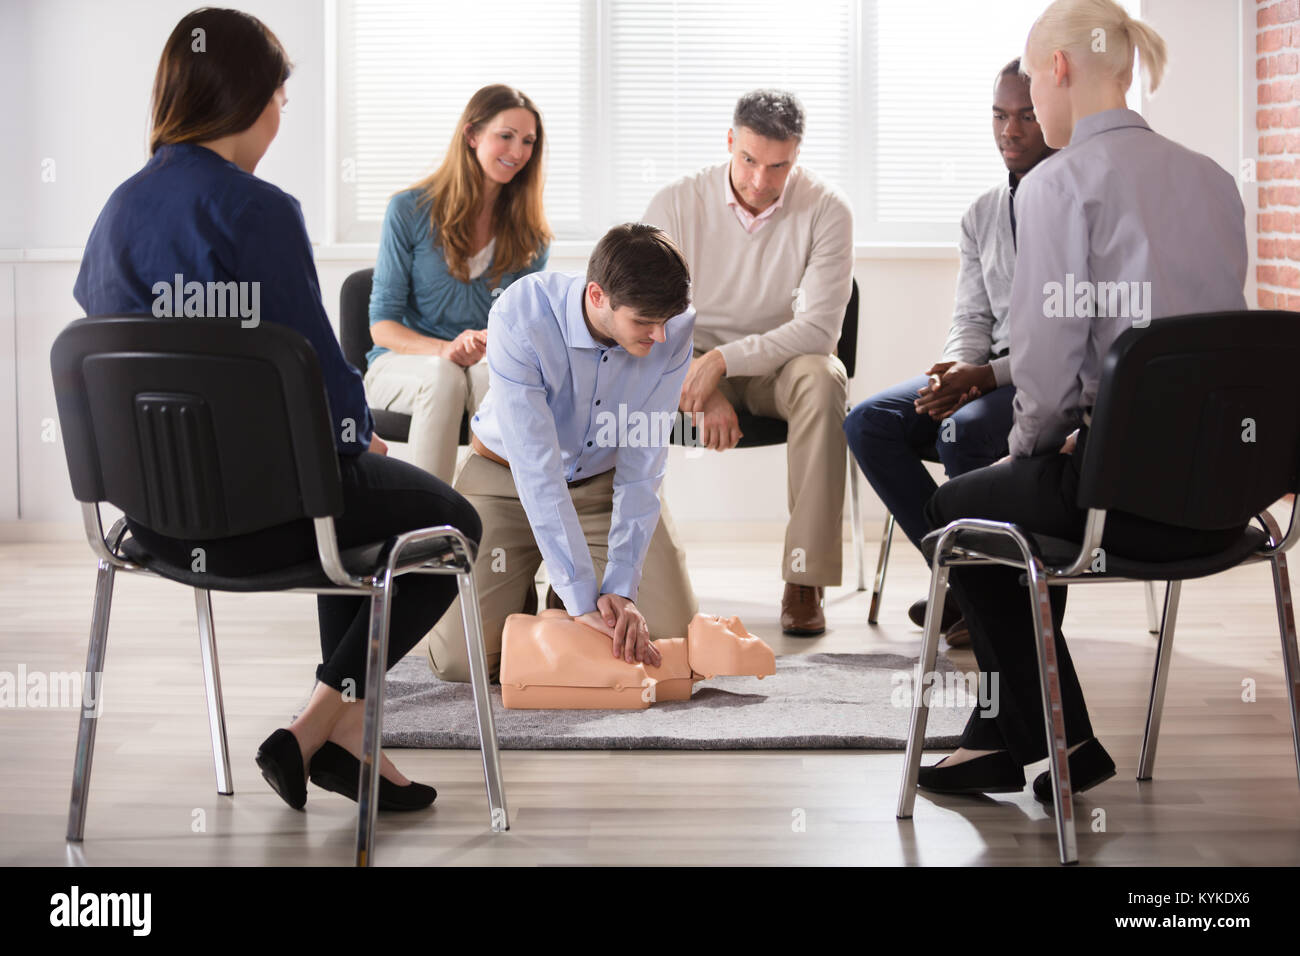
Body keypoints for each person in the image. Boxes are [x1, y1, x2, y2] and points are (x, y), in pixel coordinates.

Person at [72, 8, 482, 813]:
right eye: (282, 98)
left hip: (152, 520)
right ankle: (318, 725)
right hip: (263, 517)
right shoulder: (259, 210)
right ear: (254, 99)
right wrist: (357, 435)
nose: (281, 117)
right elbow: (311, 365)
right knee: (448, 529)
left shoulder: (116, 211)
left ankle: (339, 731)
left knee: (350, 500)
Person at [916, 0, 1249, 800]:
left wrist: (1026, 449)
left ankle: (1060, 742)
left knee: (960, 512)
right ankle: (1003, 740)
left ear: (1058, 70)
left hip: (1122, 498)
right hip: (1226, 502)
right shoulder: (1214, 179)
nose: (1030, 99)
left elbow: (1048, 374)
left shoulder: (1058, 185)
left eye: (1031, 80)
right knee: (1002, 498)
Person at [425, 224, 699, 682]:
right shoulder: (521, 315)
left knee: (671, 645)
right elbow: (537, 470)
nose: (662, 338)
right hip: (504, 481)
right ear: (597, 296)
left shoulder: (672, 326)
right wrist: (582, 595)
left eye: (667, 323)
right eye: (644, 323)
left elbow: (644, 460)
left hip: (602, 486)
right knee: (462, 663)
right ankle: (559, 603)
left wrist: (621, 588)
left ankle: (567, 600)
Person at [843, 59, 1055, 648]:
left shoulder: (1073, 206)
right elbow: (971, 316)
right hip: (984, 372)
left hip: (1040, 378)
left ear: (1054, 117)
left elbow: (1066, 344)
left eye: (1027, 116)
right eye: (998, 114)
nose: (1009, 131)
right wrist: (950, 372)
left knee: (960, 433)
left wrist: (984, 379)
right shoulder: (982, 213)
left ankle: (1010, 611)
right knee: (870, 423)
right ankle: (971, 587)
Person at [643, 90, 854, 636]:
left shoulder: (828, 209)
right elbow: (646, 316)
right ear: (730, 142)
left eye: (779, 165)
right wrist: (703, 376)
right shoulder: (675, 203)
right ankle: (627, 567)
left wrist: (724, 362)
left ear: (797, 156)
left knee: (824, 377)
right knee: (612, 382)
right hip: (683, 366)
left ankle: (804, 578)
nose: (762, 180)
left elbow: (820, 331)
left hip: (774, 368)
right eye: (750, 161)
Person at [364, 84, 552, 482]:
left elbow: (525, 329)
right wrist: (447, 349)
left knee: (491, 378)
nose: (518, 152)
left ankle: (486, 523)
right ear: (472, 136)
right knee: (444, 376)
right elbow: (382, 325)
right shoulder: (409, 210)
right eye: (506, 136)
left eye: (528, 141)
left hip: (482, 365)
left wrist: (488, 344)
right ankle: (428, 526)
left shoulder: (532, 236)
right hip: (403, 364)